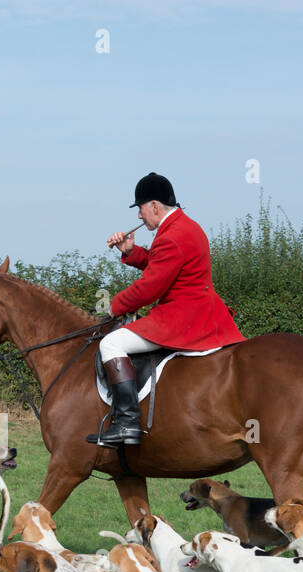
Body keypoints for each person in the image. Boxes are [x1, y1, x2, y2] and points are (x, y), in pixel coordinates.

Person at [88, 172, 247, 447]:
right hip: (200, 312)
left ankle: (126, 423)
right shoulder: (184, 227)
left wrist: (115, 305)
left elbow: (151, 287)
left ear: (154, 206)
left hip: (182, 317)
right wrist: (130, 251)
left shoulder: (172, 236)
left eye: (140, 208)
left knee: (111, 344)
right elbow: (161, 265)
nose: (139, 216)